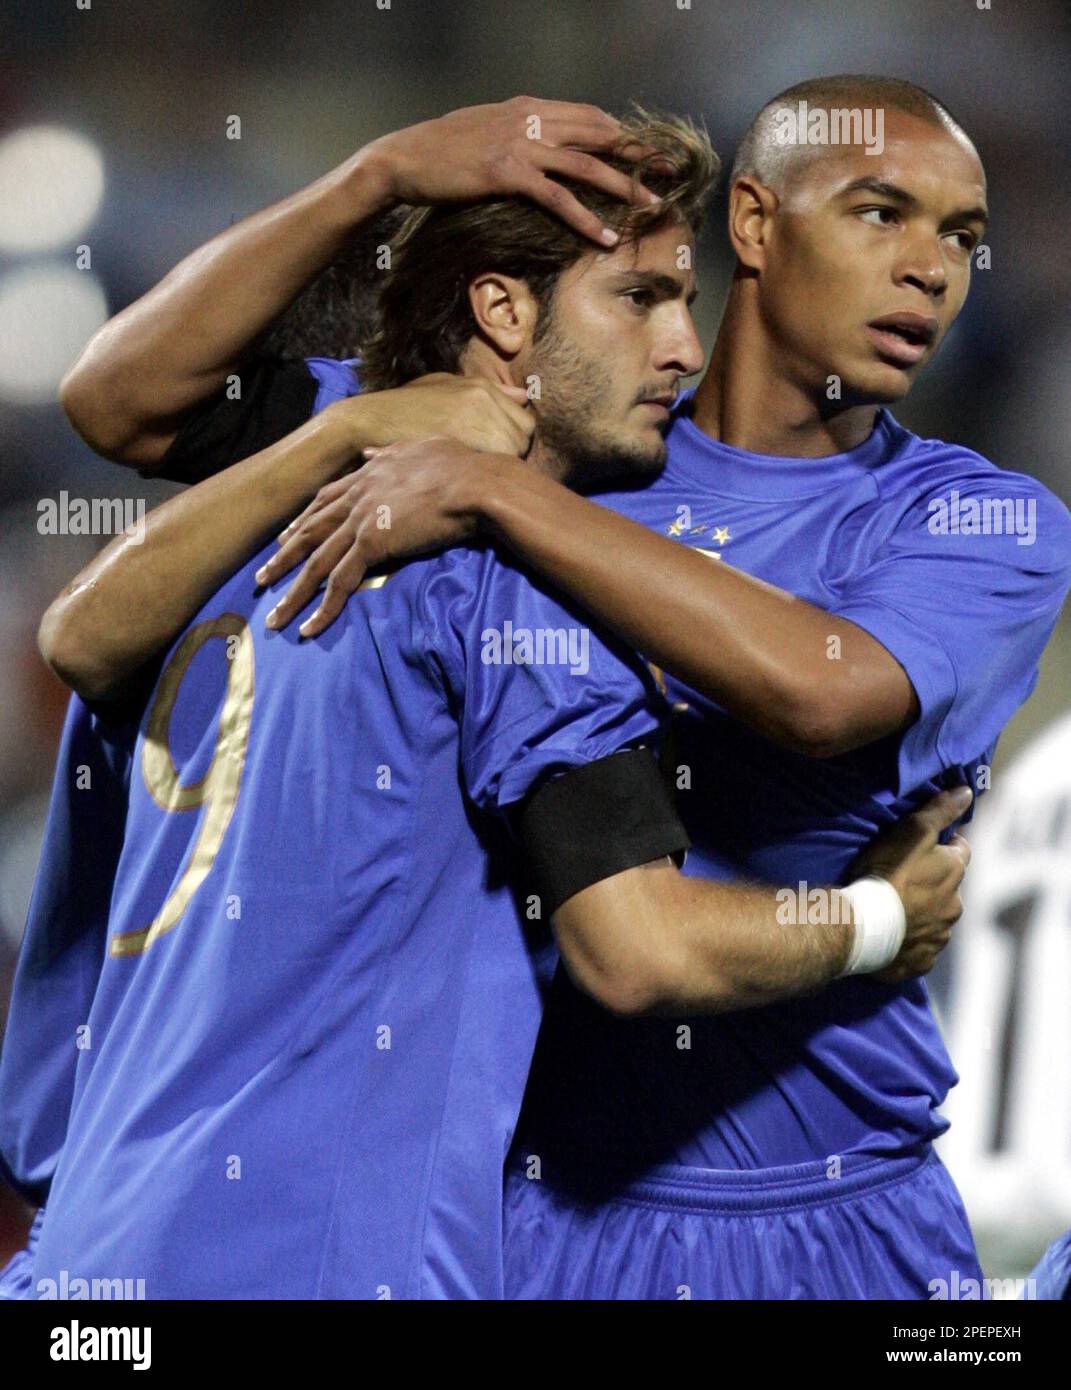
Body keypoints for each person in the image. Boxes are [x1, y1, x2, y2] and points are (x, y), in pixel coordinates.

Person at [51, 80, 1053, 1297]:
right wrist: (382, 173)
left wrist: (499, 495)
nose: (931, 269)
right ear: (754, 222)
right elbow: (122, 400)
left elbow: (824, 691)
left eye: (960, 234)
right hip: (541, 1218)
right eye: (881, 212)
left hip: (845, 1206)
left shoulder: (976, 521)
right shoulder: (559, 422)